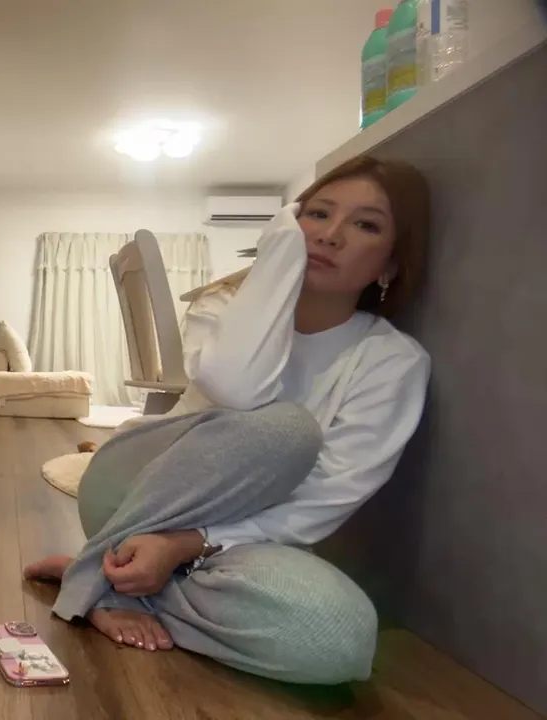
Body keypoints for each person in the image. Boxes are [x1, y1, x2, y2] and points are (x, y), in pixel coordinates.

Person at [23, 155, 432, 685]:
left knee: (340, 640)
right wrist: (277, 263)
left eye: (366, 225)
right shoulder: (220, 307)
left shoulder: (393, 362)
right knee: (287, 432)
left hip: (235, 543)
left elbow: (326, 497)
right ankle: (115, 568)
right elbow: (239, 391)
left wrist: (185, 544)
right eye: (316, 214)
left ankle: (103, 575)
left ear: (390, 265)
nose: (330, 235)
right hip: (132, 493)